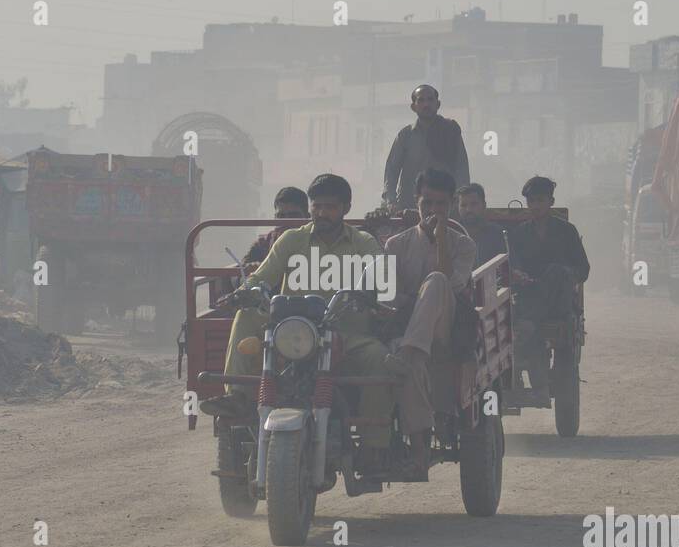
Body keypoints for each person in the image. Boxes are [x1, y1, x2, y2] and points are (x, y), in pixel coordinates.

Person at [200, 174, 395, 456]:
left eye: (330, 207)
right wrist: (245, 291)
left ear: (345, 208)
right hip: (292, 331)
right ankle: (238, 397)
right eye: (317, 206)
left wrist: (373, 294)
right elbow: (262, 276)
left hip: (345, 334)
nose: (322, 213)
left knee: (379, 358)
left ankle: (375, 445)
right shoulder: (292, 239)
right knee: (247, 315)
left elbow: (383, 274)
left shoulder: (362, 242)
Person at [382, 168, 477, 480]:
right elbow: (391, 299)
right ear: (416, 203)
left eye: (440, 205)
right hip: (411, 328)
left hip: (445, 327)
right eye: (427, 204)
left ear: (451, 205)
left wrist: (440, 240)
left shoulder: (464, 246)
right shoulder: (396, 245)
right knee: (412, 366)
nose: (433, 211)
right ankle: (420, 451)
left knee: (437, 280)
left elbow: (452, 283)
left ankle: (410, 352)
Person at [506, 176, 591, 401]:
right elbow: (512, 265)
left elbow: (583, 269)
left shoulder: (567, 231)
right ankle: (530, 381)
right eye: (531, 201)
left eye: (540, 200)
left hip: (558, 303)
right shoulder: (519, 234)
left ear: (551, 202)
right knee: (528, 319)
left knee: (555, 272)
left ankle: (530, 326)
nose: (535, 206)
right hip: (527, 296)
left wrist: (564, 276)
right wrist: (518, 275)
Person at [382, 84, 471, 212]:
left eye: (430, 100)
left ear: (438, 104)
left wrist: (461, 200)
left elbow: (461, 167)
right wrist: (391, 201)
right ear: (413, 107)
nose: (426, 104)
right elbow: (392, 170)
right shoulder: (405, 135)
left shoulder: (450, 130)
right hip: (410, 208)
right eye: (421, 100)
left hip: (445, 207)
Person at [243, 186, 308, 270]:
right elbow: (238, 273)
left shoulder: (318, 240)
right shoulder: (263, 244)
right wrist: (253, 269)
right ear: (275, 218)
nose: (286, 221)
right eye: (281, 216)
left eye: (293, 216)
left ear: (307, 217)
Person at [454, 182, 507, 268]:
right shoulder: (451, 234)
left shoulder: (498, 233)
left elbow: (508, 267)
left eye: (473, 204)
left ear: (484, 205)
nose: (468, 210)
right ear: (458, 208)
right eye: (463, 205)